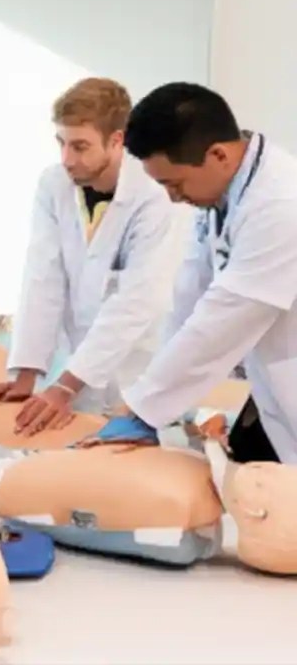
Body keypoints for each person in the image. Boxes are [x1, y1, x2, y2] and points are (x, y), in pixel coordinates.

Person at [90, 82, 297, 465]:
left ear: (218, 154)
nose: (172, 197)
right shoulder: (225, 194)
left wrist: (143, 406)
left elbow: (224, 318)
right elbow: (190, 297)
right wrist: (143, 402)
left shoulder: (280, 205)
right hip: (274, 388)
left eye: (175, 183)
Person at [0, 77, 175, 434]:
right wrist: (26, 376)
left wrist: (66, 385)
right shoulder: (54, 185)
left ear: (117, 140)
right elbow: (43, 279)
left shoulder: (153, 196)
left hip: (137, 377)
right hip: (75, 381)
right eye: (61, 143)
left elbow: (137, 301)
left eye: (80, 146)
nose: (67, 159)